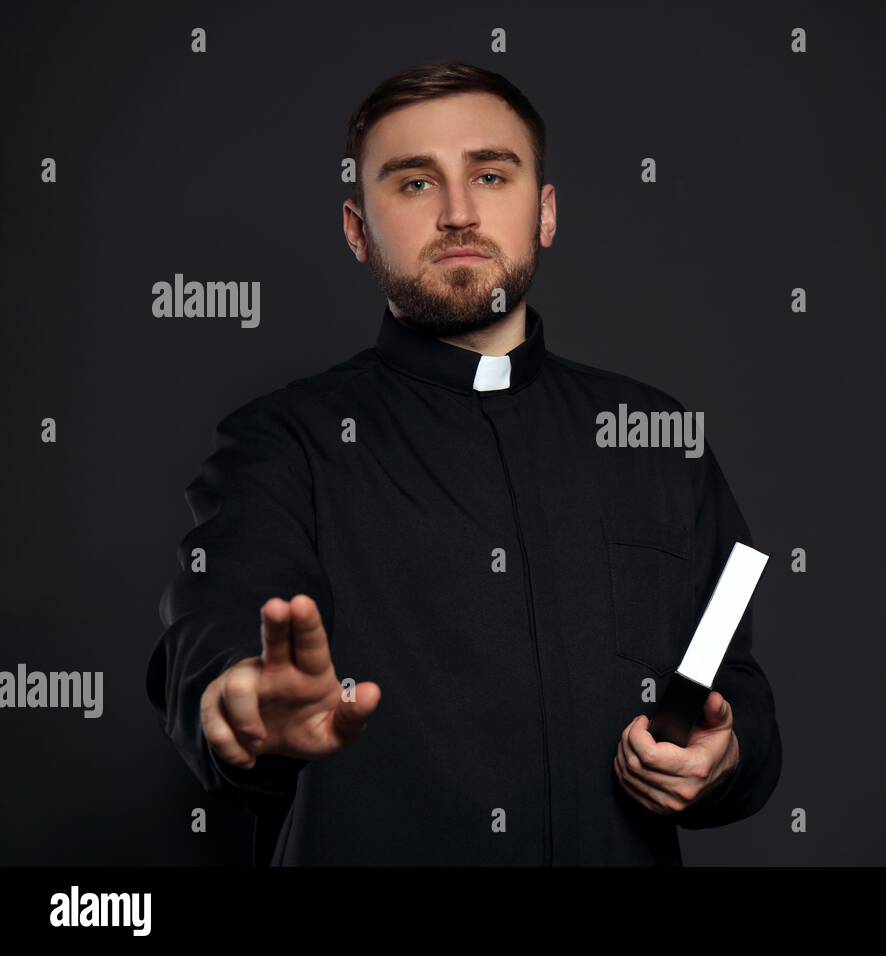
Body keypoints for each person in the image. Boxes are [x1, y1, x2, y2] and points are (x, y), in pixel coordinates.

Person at [145, 60, 782, 865]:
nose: (456, 213)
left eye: (490, 174)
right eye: (413, 184)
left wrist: (726, 756)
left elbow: (734, 683)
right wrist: (235, 706)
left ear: (544, 213)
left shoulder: (658, 433)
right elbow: (215, 637)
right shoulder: (280, 444)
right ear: (356, 230)